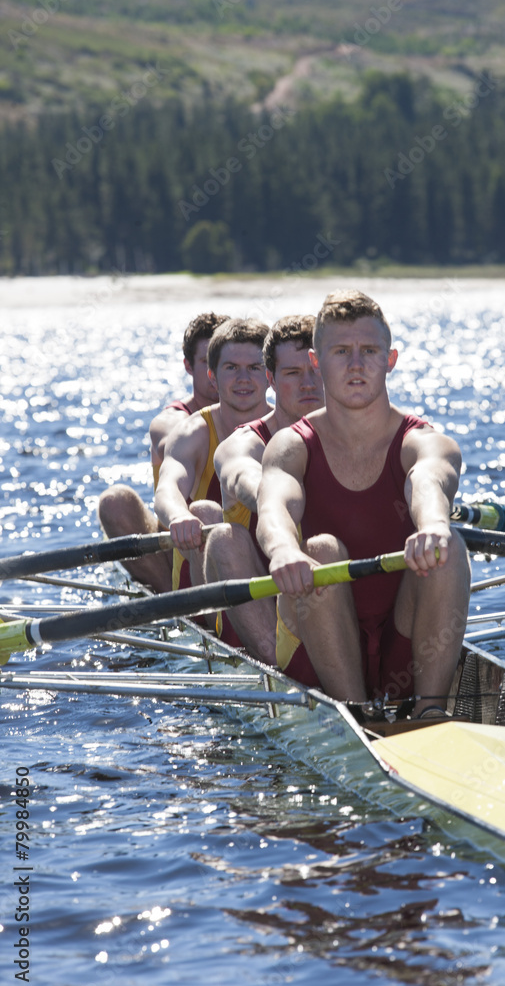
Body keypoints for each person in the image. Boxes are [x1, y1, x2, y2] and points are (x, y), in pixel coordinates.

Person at [256, 289, 471, 712]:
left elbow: (428, 480)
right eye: (341, 351)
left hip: (402, 644)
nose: (356, 364)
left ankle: (428, 713)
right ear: (317, 364)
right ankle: (352, 714)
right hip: (316, 645)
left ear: (389, 360)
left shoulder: (424, 440)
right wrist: (282, 550)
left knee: (450, 547)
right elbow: (274, 506)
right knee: (320, 550)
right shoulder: (291, 446)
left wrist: (432, 526)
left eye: (369, 351)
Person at [204, 314, 324, 664]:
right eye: (293, 373)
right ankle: (280, 668)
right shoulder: (241, 445)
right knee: (226, 538)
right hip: (258, 609)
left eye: (316, 371)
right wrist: (279, 500)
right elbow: (244, 477)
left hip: (324, 592)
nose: (308, 384)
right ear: (271, 379)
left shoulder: (352, 439)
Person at [97, 312, 229, 592]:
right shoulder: (173, 422)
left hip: (235, 538)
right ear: (188, 366)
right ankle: (172, 598)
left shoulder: (260, 415)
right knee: (115, 501)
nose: (215, 373)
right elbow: (173, 439)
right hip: (182, 543)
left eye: (223, 363)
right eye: (207, 362)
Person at [154, 317, 272, 592]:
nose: (243, 379)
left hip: (271, 566)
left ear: (269, 374)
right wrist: (178, 516)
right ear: (213, 376)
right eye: (232, 368)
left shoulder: (288, 429)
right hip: (203, 585)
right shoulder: (192, 432)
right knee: (204, 512)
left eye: (254, 368)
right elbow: (167, 488)